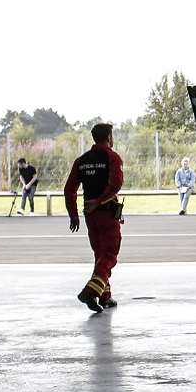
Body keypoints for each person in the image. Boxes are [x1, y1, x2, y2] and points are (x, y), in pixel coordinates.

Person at [65, 122, 125, 313]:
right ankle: (90, 291)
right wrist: (100, 201)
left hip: (90, 216)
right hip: (107, 213)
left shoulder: (81, 160)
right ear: (109, 137)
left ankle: (105, 296)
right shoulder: (113, 158)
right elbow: (116, 184)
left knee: (100, 255)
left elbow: (69, 189)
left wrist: (73, 214)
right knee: (109, 254)